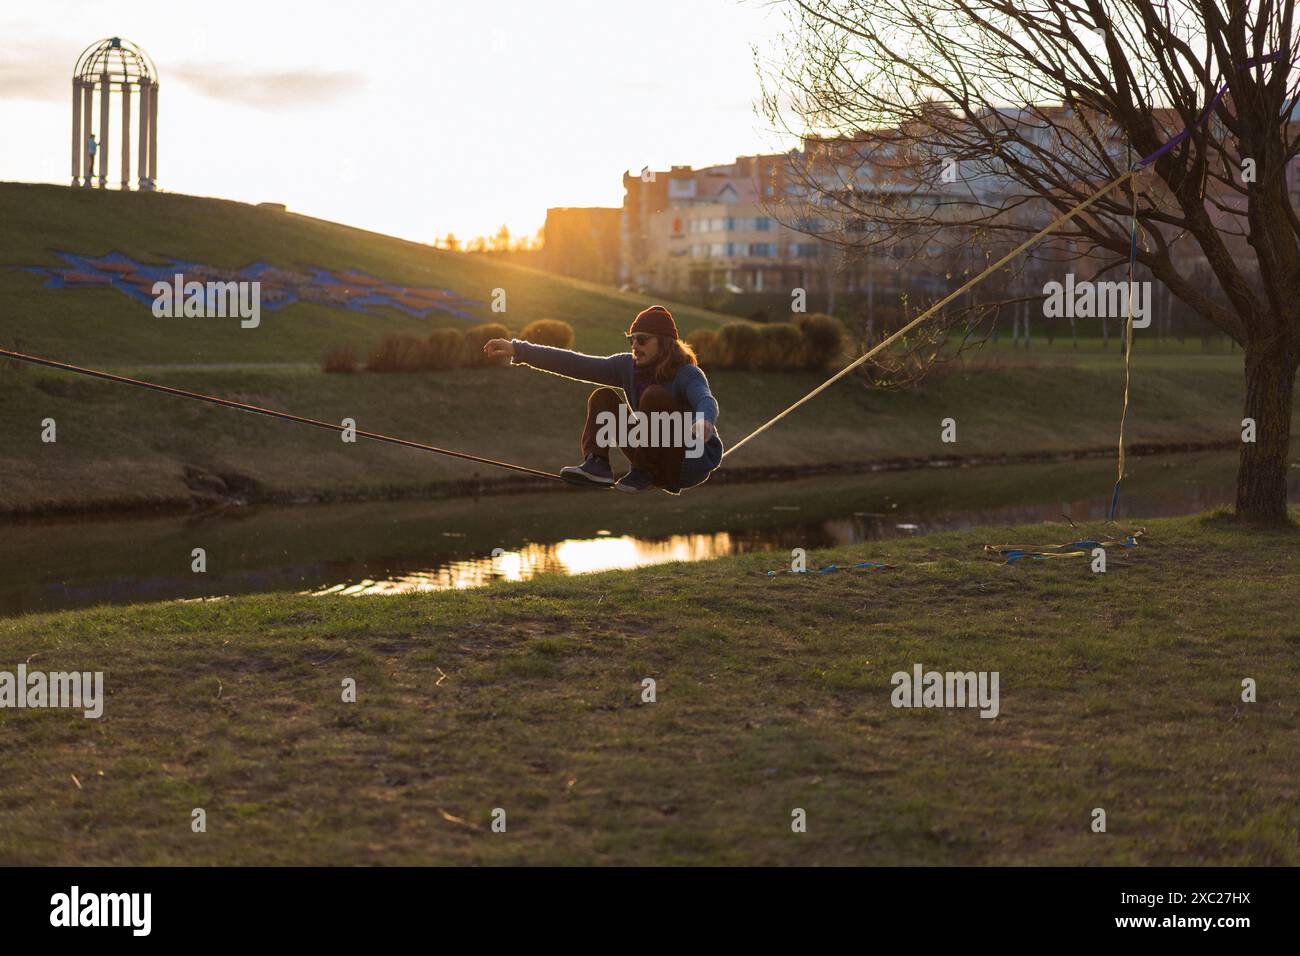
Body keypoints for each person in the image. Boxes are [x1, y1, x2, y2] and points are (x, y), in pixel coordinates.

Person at [482, 305, 722, 493]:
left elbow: (704, 397)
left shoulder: (686, 372)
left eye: (643, 339)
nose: (635, 346)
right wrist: (519, 349)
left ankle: (642, 471)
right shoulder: (626, 367)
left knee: (654, 395)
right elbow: (576, 364)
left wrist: (705, 421)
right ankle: (597, 465)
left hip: (687, 461)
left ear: (665, 343)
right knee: (603, 398)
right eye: (632, 340)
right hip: (653, 459)